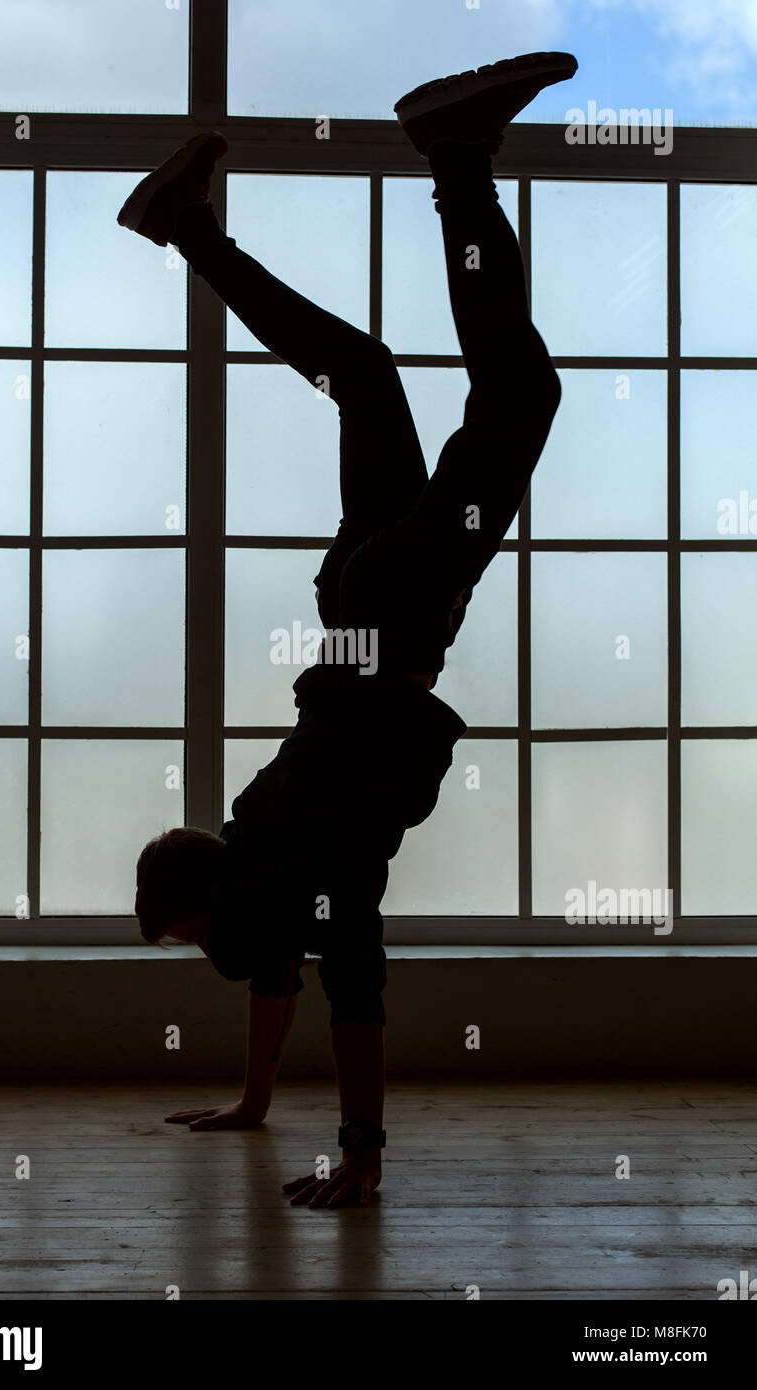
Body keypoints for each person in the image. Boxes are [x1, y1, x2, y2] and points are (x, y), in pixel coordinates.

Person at [120, 51, 577, 1208]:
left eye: (185, 940)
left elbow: (346, 984)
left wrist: (362, 1153)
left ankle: (457, 156)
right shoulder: (262, 839)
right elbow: (276, 978)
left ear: (207, 908)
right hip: (354, 600)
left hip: (395, 608)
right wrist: (258, 1102)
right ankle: (188, 229)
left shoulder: (300, 862)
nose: (214, 961)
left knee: (517, 399)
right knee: (363, 375)